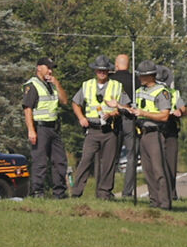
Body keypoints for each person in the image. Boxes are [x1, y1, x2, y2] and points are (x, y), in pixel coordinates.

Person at [111, 60, 172, 209]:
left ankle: (164, 202)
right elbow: (133, 110)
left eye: (143, 76)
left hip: (155, 134)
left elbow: (164, 116)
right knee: (148, 170)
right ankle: (154, 201)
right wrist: (119, 106)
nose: (140, 78)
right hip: (142, 133)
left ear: (151, 76)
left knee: (158, 170)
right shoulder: (139, 92)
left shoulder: (161, 92)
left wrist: (144, 113)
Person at [71, 55, 129, 200]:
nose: (102, 73)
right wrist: (81, 118)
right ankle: (76, 193)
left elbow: (125, 106)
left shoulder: (117, 86)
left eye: (104, 70)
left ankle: (104, 193)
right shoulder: (87, 85)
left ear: (109, 71)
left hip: (110, 129)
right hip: (92, 129)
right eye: (99, 70)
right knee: (86, 160)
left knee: (108, 163)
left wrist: (114, 113)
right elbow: (75, 103)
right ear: (95, 70)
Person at [22, 57, 68, 199]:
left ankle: (59, 193)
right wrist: (31, 130)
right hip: (40, 128)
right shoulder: (32, 85)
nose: (50, 70)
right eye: (48, 67)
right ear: (39, 68)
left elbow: (64, 101)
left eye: (51, 68)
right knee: (40, 161)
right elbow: (27, 108)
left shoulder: (52, 84)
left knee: (60, 161)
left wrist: (57, 84)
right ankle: (38, 193)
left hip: (54, 128)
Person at [109, 54, 140, 198]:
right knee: (132, 155)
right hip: (130, 119)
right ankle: (127, 191)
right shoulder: (136, 80)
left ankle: (107, 188)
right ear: (129, 65)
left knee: (111, 155)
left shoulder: (111, 80)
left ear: (116, 65)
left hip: (114, 118)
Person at [159, 66, 187, 200]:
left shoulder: (174, 93)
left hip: (170, 131)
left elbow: (183, 107)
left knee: (171, 163)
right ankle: (159, 192)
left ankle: (172, 193)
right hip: (155, 130)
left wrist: (179, 112)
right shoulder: (149, 93)